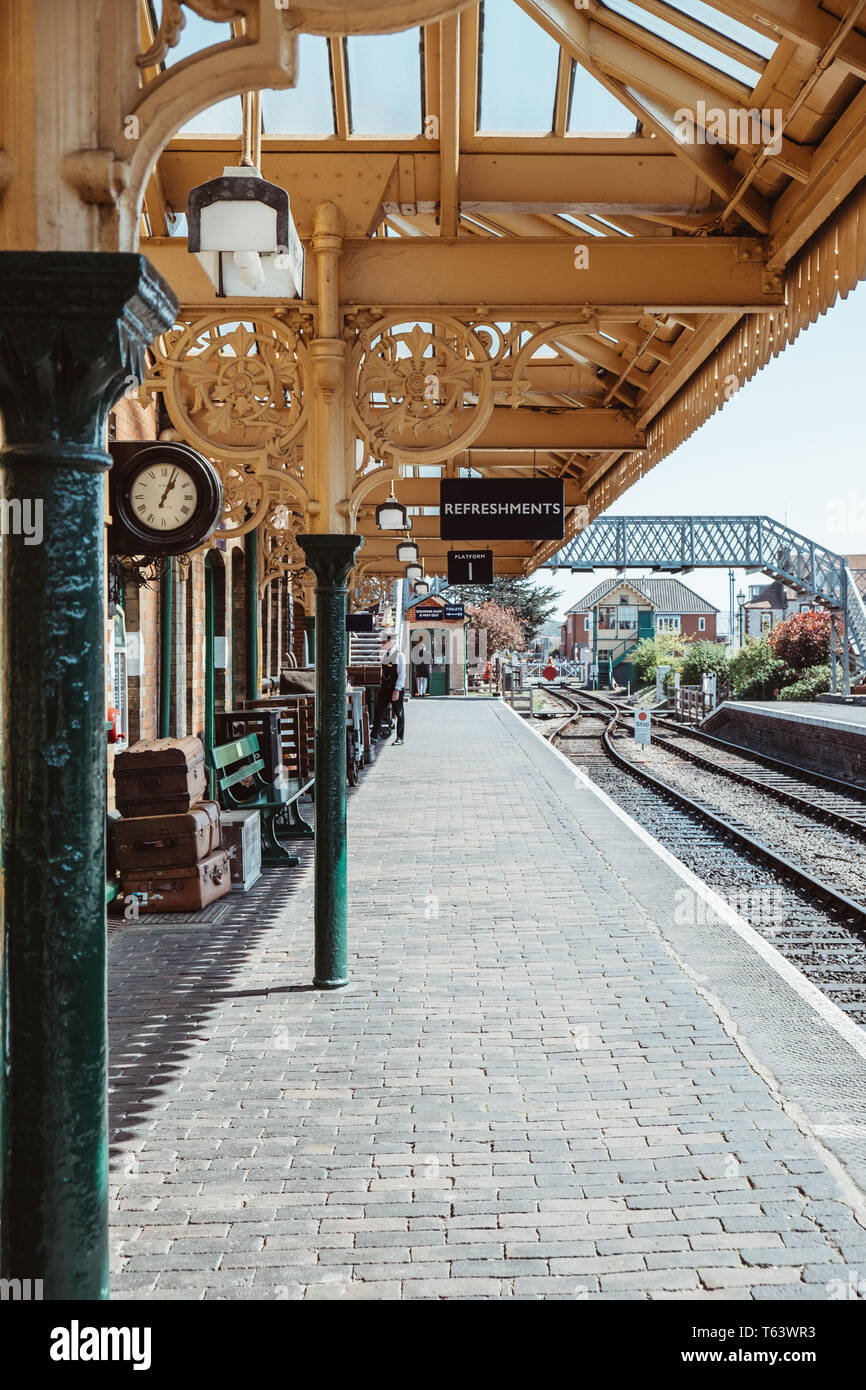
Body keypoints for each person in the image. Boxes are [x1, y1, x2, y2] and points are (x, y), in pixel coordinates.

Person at [373, 640, 406, 745]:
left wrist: (397, 690)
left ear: (391, 643)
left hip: (395, 688)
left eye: (384, 642)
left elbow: (402, 675)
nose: (382, 644)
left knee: (399, 712)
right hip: (385, 688)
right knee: (378, 711)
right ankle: (373, 736)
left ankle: (400, 737)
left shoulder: (400, 656)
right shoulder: (385, 656)